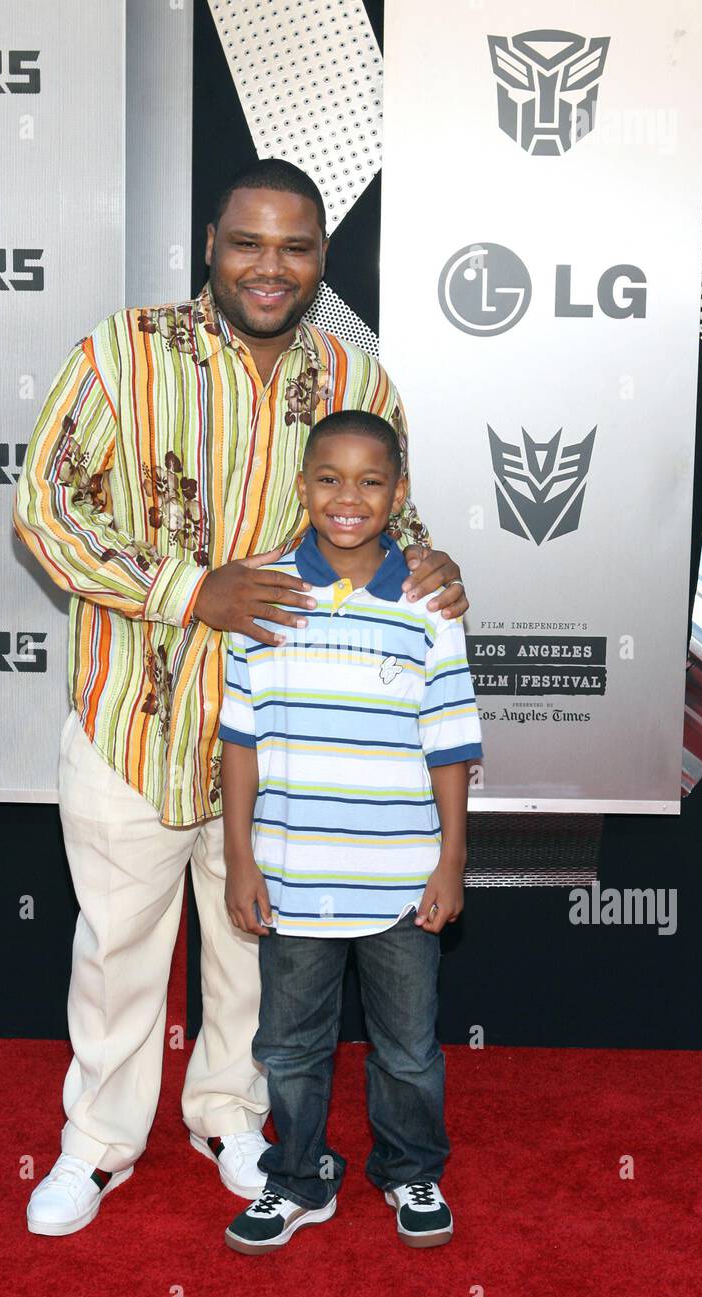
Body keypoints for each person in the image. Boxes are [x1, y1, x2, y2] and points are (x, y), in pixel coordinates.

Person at [13, 157, 469, 1237]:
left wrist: (432, 565)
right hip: (137, 713)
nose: (270, 267)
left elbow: (386, 525)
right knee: (118, 947)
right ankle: (97, 1144)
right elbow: (42, 507)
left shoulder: (356, 379)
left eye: (295, 246)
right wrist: (188, 588)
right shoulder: (120, 354)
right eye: (247, 243)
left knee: (256, 951)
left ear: (320, 258)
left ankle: (232, 1118)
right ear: (208, 244)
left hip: (293, 743)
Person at [219, 410, 482, 1253]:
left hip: (402, 880)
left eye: (371, 482)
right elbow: (239, 740)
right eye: (329, 478)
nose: (348, 498)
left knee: (408, 1049)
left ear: (398, 494)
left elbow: (449, 741)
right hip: (292, 878)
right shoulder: (262, 594)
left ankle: (410, 1169)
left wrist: (452, 861)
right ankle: (298, 1178)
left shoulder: (427, 603)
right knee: (290, 1048)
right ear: (302, 487)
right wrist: (237, 861)